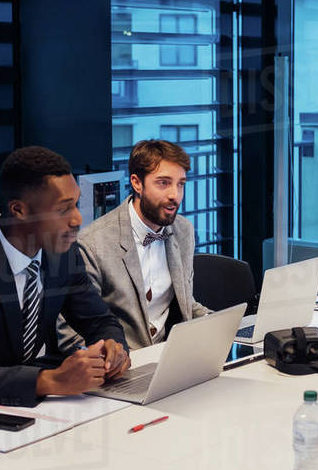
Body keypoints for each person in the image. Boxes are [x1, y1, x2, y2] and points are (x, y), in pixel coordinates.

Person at [0, 146, 130, 411]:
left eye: (76, 203)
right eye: (63, 209)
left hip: (41, 413)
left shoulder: (62, 251)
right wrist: (48, 381)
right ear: (19, 210)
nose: (77, 219)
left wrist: (113, 349)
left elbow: (99, 321)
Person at [60, 139, 210, 351]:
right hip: (120, 366)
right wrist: (110, 362)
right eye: (163, 183)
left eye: (180, 184)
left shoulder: (183, 230)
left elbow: (187, 304)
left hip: (171, 356)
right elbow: (71, 334)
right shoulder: (93, 243)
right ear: (137, 183)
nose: (174, 195)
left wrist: (222, 326)